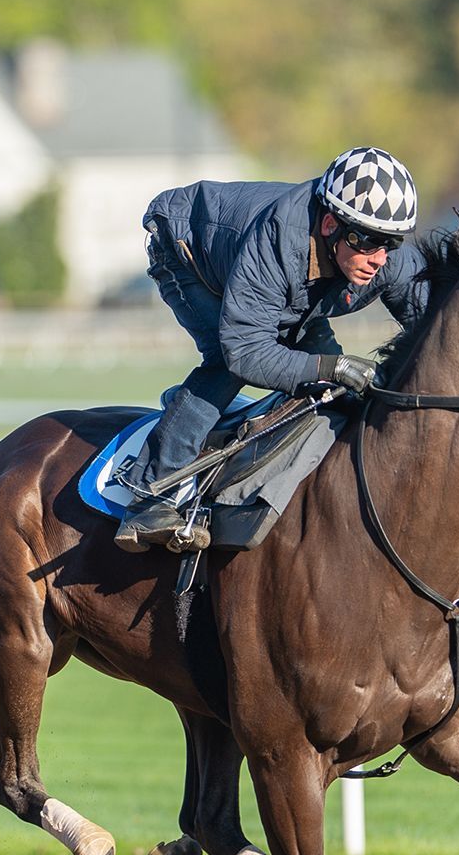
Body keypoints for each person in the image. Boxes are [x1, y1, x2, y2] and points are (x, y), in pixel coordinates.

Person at [115, 145, 433, 553]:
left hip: (288, 286)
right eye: (368, 241)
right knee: (226, 366)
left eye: (390, 242)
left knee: (327, 389)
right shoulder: (278, 240)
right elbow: (244, 352)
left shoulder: (384, 258)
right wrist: (332, 366)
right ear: (331, 224)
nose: (379, 258)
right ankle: (150, 494)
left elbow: (433, 327)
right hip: (186, 251)